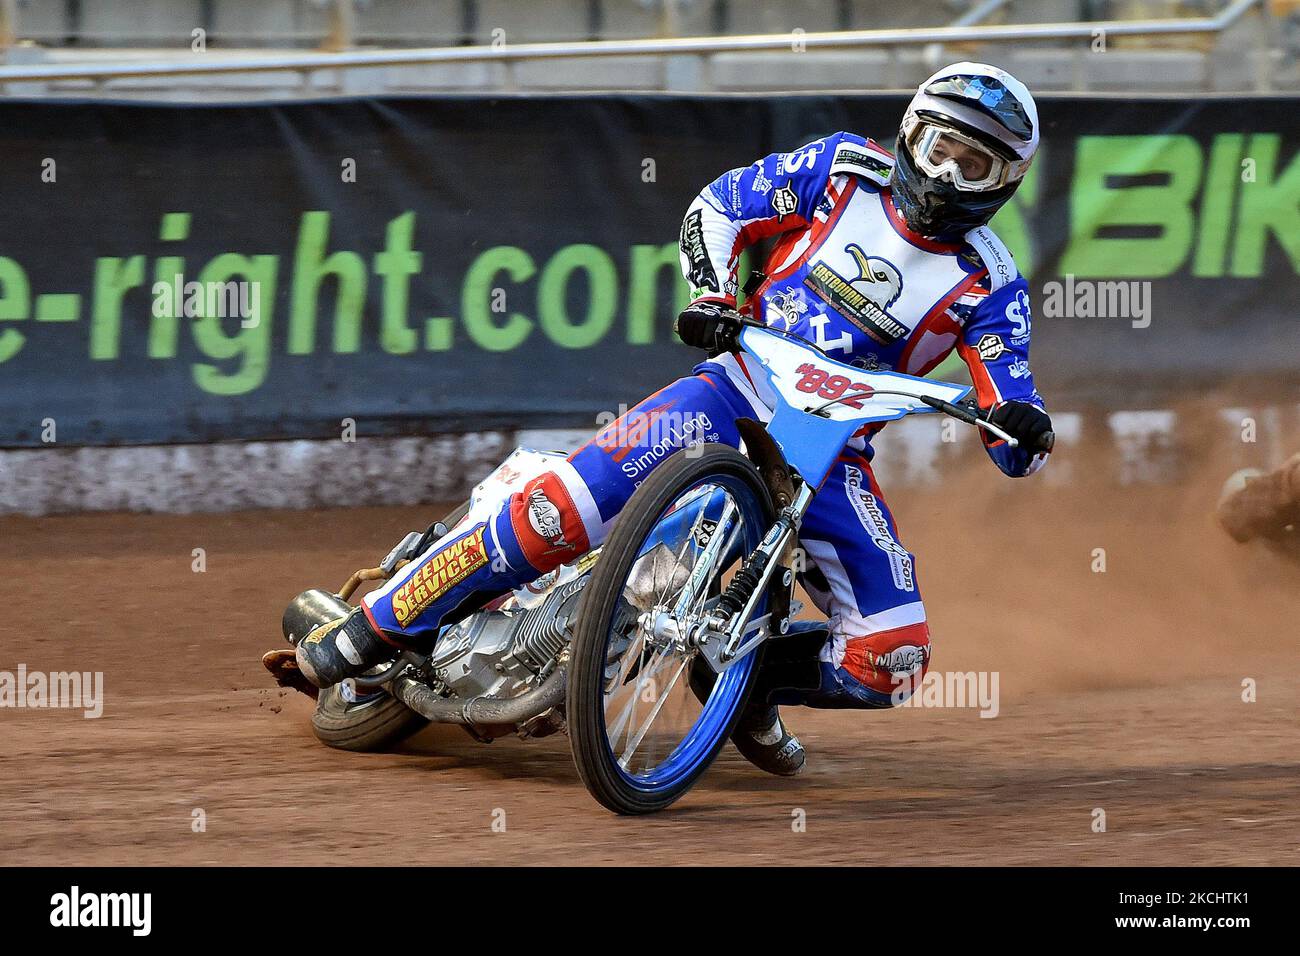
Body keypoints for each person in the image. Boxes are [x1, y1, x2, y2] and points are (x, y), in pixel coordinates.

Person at [296, 62, 1054, 777]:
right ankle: (371, 630)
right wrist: (715, 295)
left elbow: (1009, 404)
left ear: (1006, 183)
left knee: (895, 659)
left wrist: (1022, 427)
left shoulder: (991, 285)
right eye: (938, 148)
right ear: (909, 133)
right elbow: (721, 207)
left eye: (974, 165)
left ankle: (748, 674)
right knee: (558, 514)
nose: (948, 173)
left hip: (829, 455)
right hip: (729, 390)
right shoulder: (841, 169)